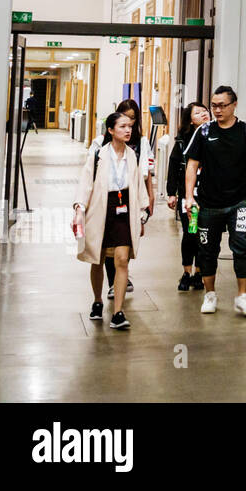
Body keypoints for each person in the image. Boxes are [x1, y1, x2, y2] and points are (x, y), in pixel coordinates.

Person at [182, 86, 246, 316]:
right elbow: (192, 165)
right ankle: (210, 294)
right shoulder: (203, 132)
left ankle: (242, 296)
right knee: (207, 251)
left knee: (243, 247)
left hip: (240, 201)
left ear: (234, 105)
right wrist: (189, 196)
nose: (217, 110)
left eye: (222, 105)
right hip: (208, 203)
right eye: (214, 105)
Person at [73, 111, 155, 330]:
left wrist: (142, 215)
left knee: (121, 259)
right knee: (97, 259)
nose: (128, 130)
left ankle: (118, 312)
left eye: (129, 126)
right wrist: (79, 209)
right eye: (122, 126)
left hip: (124, 210)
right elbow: (85, 183)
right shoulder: (98, 154)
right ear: (110, 130)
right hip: (101, 209)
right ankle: (98, 301)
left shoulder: (133, 155)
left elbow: (138, 186)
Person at [103, 99, 152, 298]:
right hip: (109, 199)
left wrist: (149, 197)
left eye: (132, 119)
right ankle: (114, 280)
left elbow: (148, 172)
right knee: (108, 245)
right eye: (124, 119)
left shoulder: (142, 142)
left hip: (133, 197)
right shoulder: (104, 143)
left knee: (127, 240)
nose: (129, 124)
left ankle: (122, 273)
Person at [166, 101, 210, 291]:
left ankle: (199, 273)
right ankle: (186, 272)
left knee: (204, 235)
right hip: (189, 197)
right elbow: (174, 165)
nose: (204, 114)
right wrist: (171, 193)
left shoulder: (214, 136)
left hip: (209, 196)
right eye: (198, 113)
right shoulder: (183, 140)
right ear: (190, 120)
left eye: (204, 111)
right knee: (191, 233)